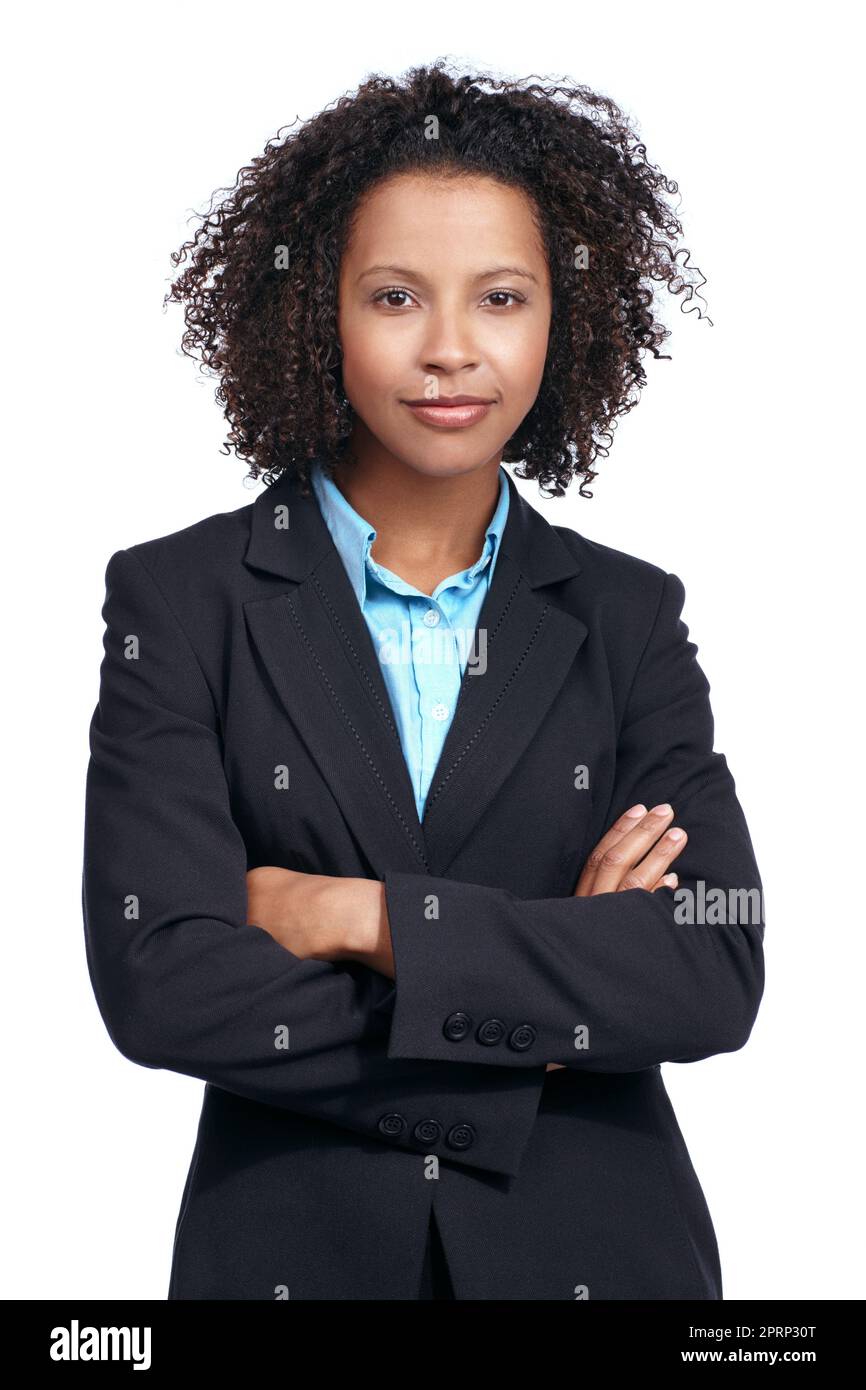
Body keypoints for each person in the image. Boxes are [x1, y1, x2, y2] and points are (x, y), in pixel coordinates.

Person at [82, 61, 765, 1300]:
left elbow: (708, 965)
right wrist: (540, 1014)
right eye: (394, 296)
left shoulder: (624, 616)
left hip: (602, 1262)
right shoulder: (181, 599)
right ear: (316, 313)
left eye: (500, 297)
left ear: (560, 318)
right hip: (292, 1262)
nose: (450, 349)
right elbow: (163, 981)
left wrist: (362, 919)